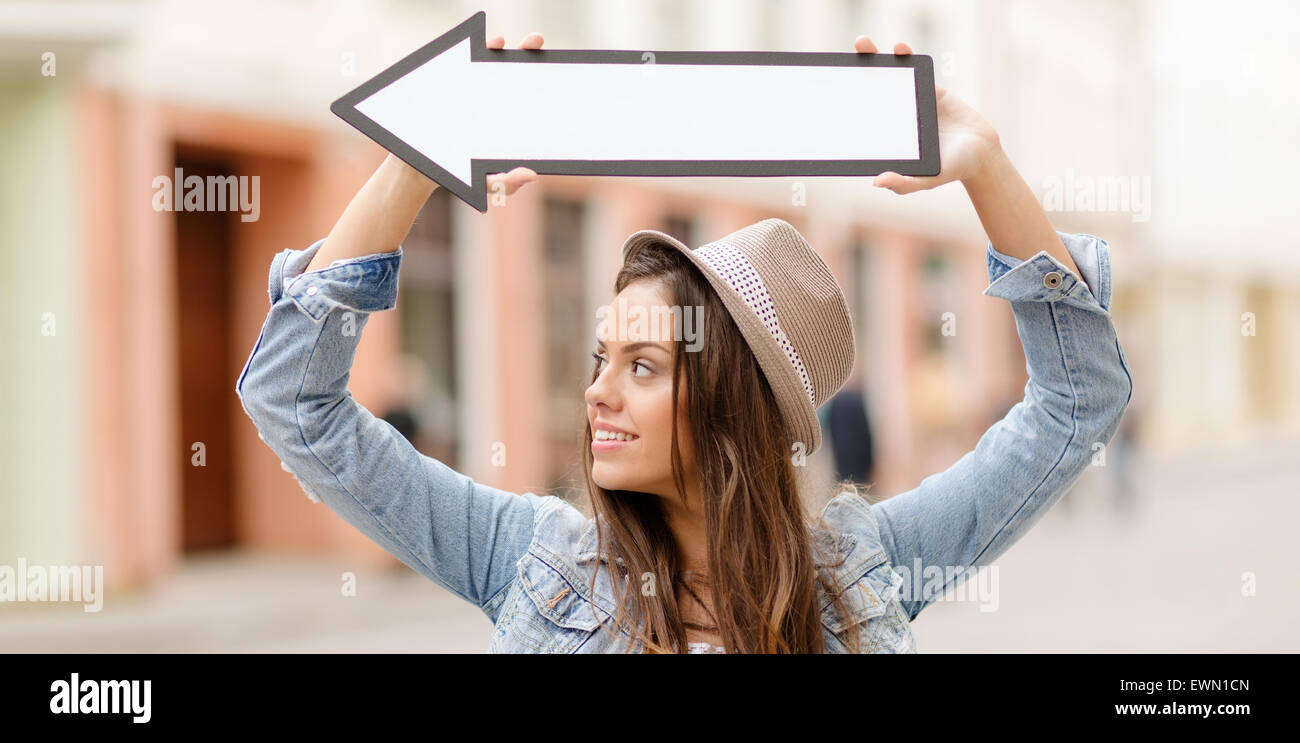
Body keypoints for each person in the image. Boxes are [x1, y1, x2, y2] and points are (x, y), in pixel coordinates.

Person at [235, 31, 1132, 653]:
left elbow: (1076, 403)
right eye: (599, 359)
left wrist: (987, 164)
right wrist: (415, 159)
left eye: (641, 365)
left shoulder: (865, 573)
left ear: (728, 400)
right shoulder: (528, 556)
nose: (596, 393)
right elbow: (294, 403)